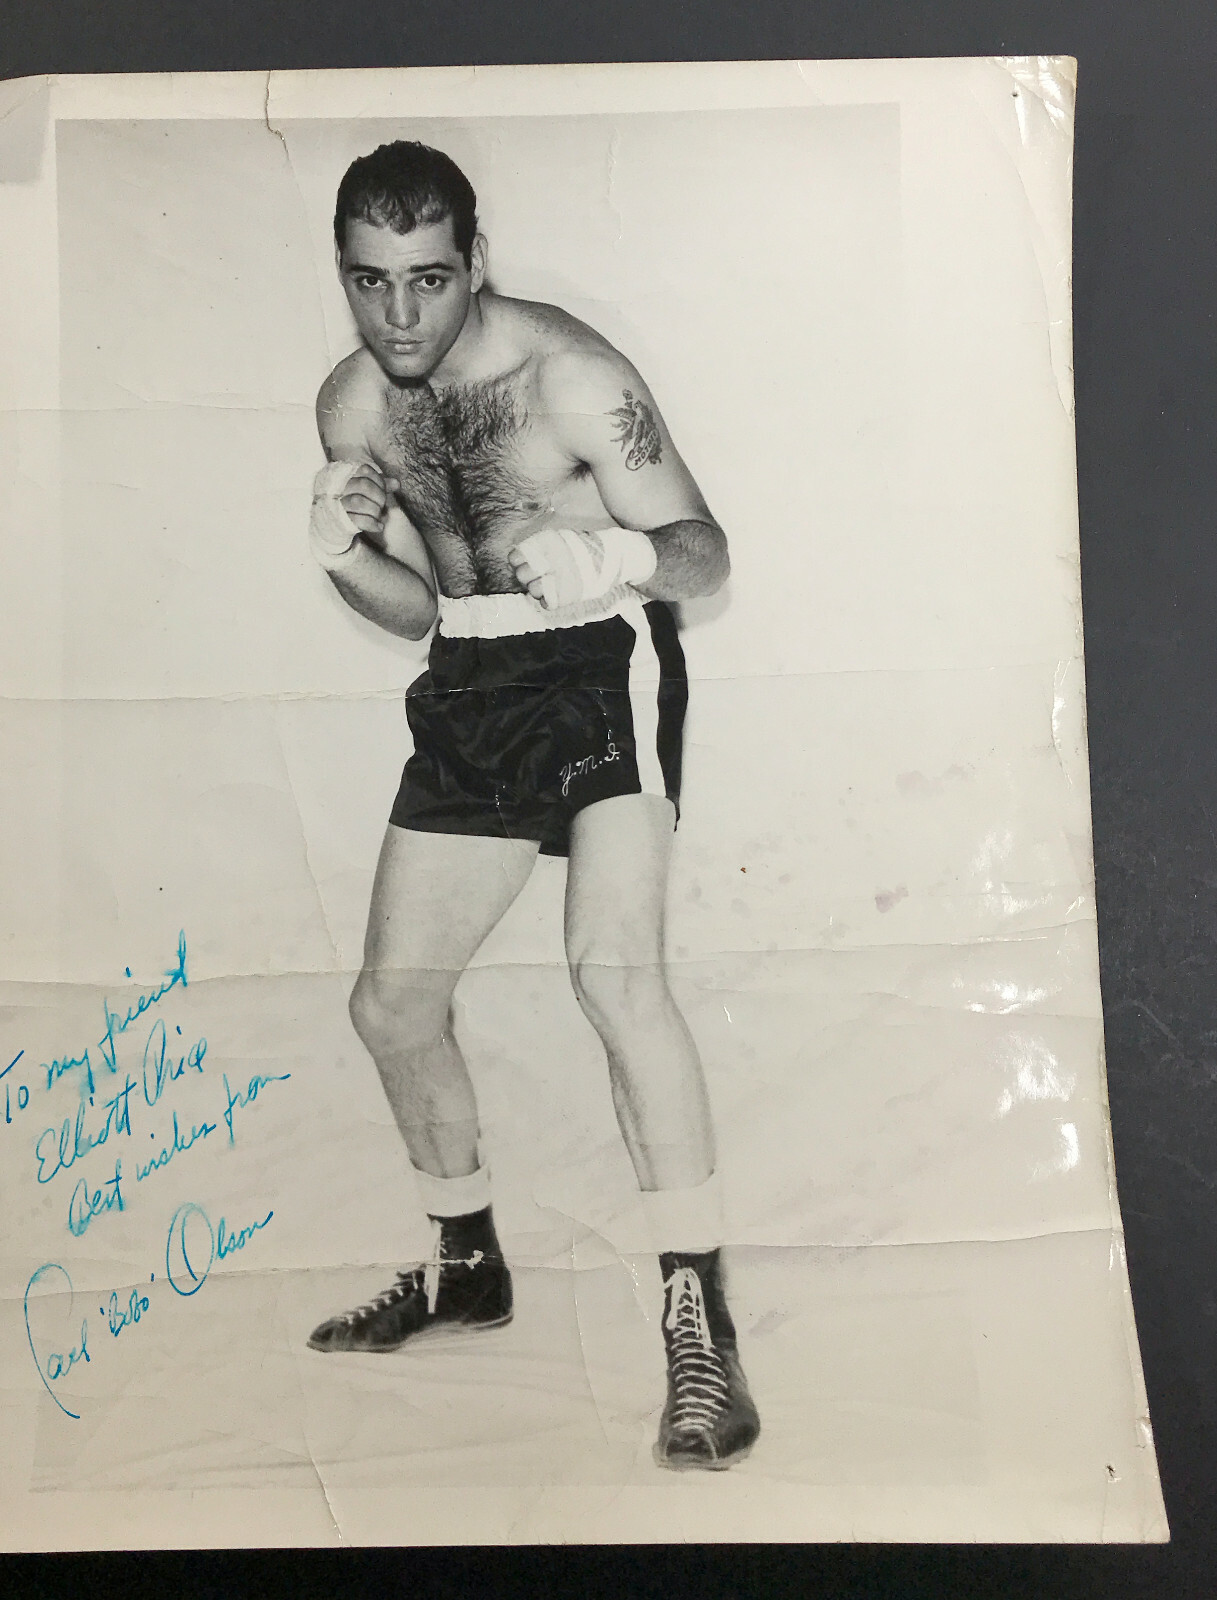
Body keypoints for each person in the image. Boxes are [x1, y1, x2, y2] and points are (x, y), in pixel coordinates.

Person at [302, 140, 758, 1471]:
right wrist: (340, 553)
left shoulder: (571, 376)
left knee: (614, 980)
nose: (401, 315)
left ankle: (701, 1325)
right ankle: (465, 1266)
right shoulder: (351, 405)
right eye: (372, 282)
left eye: (429, 279)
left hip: (601, 671)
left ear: (475, 262)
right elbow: (416, 610)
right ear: (344, 273)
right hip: (471, 680)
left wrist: (614, 551)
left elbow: (705, 554)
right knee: (391, 1006)